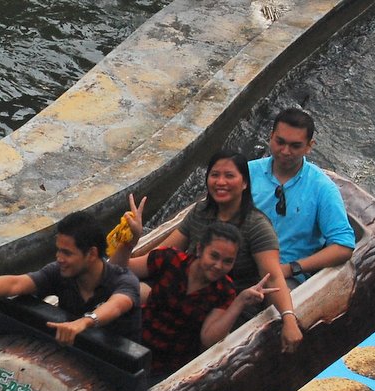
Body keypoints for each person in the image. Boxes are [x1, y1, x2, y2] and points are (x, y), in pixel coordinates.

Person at [123, 150, 303, 353]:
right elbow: (160, 254)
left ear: (244, 183)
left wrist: (289, 319)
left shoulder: (257, 226)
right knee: (133, 291)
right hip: (191, 288)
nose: (221, 182)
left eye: (229, 176)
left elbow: (273, 278)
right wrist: (128, 242)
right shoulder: (201, 212)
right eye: (215, 175)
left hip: (230, 304)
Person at [111, 211, 278, 375]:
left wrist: (240, 302)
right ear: (199, 250)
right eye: (214, 256)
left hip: (169, 363)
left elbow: (208, 338)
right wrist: (130, 242)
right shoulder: (170, 259)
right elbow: (117, 270)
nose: (218, 266)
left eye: (227, 261)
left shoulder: (224, 290)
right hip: (133, 340)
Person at [0, 210, 141, 345]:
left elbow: (116, 305)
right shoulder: (59, 273)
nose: (59, 258)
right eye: (59, 251)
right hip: (75, 352)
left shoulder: (124, 281)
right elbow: (16, 283)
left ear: (91, 254)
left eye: (67, 253)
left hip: (118, 363)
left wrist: (84, 322)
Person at [249, 108, 356, 286]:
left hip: (285, 276)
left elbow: (343, 246)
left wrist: (291, 268)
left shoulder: (322, 188)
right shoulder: (247, 173)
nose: (285, 151)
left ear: (309, 146)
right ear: (271, 137)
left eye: (295, 146)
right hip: (239, 263)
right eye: (280, 142)